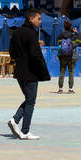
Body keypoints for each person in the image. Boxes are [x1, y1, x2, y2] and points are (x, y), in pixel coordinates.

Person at [6, 9, 48, 140]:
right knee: (31, 101)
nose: (40, 22)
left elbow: (11, 52)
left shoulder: (16, 33)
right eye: (38, 19)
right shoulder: (31, 34)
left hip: (19, 71)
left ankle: (17, 123)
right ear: (31, 19)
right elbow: (35, 54)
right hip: (31, 71)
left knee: (29, 99)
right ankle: (23, 128)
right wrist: (43, 70)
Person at [55, 20, 81, 93]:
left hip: (63, 56)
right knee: (71, 72)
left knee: (62, 72)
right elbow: (80, 41)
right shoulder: (73, 35)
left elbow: (59, 44)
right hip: (72, 56)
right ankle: (70, 89)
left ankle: (60, 89)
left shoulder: (60, 35)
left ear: (64, 27)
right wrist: (76, 33)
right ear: (71, 27)